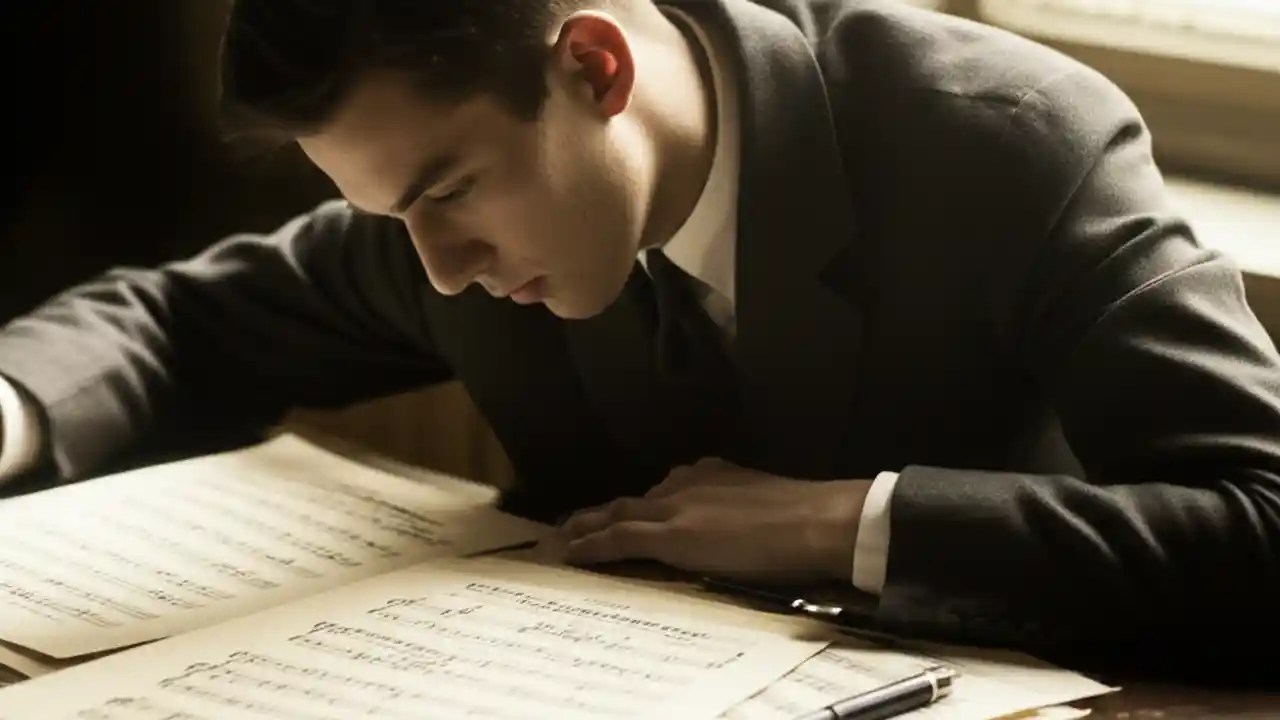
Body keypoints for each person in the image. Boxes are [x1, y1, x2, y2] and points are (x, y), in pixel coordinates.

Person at [1, 0, 1278, 680]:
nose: (436, 266)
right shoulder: (434, 228)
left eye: (446, 195)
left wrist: (852, 522)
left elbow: (1261, 527)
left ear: (594, 70)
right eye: (388, 215)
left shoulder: (1007, 142)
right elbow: (178, 320)